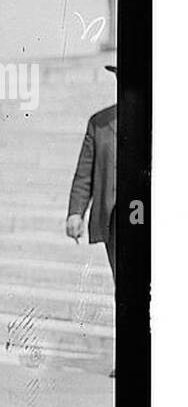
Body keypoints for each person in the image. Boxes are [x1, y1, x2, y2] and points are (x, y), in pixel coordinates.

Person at [66, 65, 117, 376]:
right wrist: (75, 212)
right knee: (126, 289)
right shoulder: (100, 123)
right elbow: (85, 172)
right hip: (119, 221)